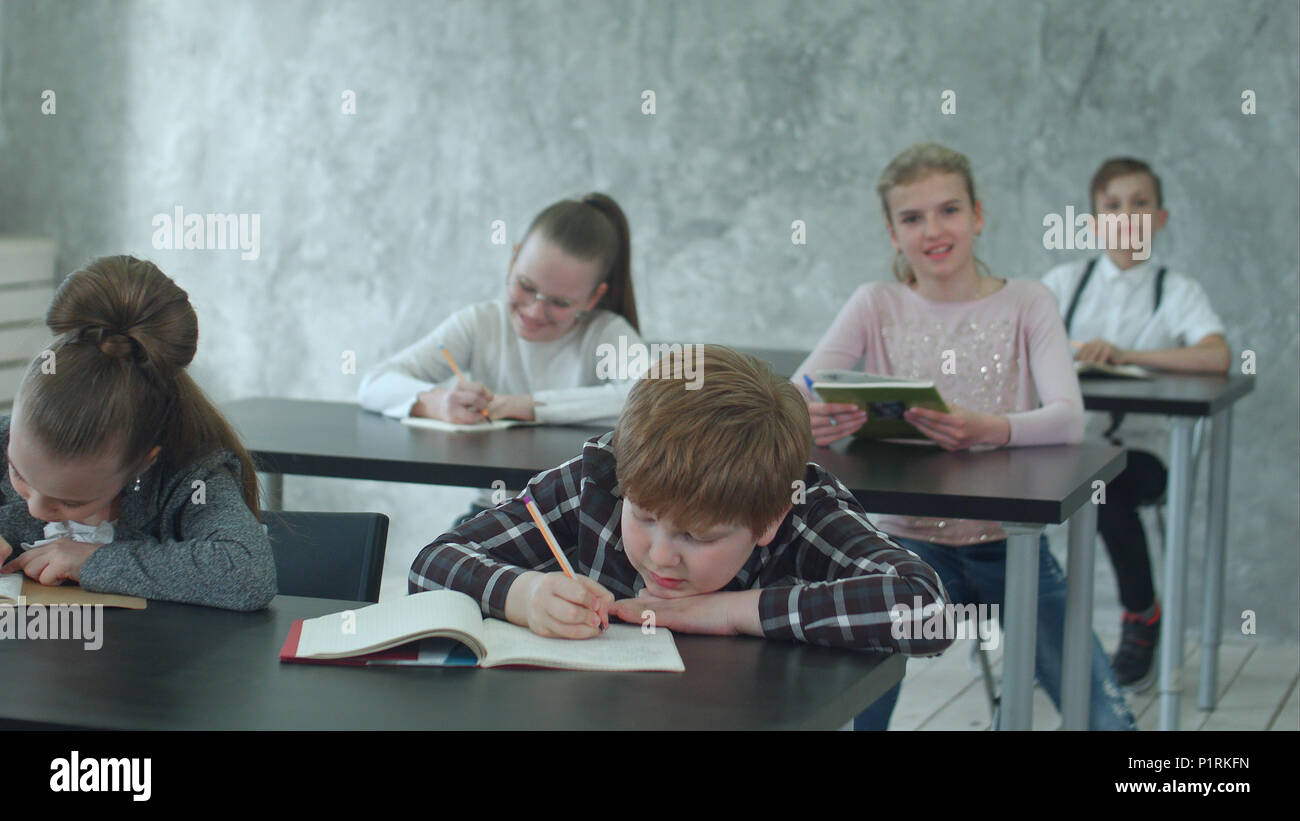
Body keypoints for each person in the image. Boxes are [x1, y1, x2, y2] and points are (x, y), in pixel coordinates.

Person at [794, 142, 1136, 729]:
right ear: (892, 231)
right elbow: (794, 393)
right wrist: (812, 418)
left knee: (1106, 718)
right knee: (855, 712)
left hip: (1011, 544)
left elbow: (1066, 416)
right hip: (906, 550)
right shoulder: (876, 304)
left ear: (978, 215)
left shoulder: (1028, 300)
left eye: (949, 210)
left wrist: (990, 429)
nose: (933, 229)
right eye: (912, 217)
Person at [410, 345, 952, 660]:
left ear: (768, 521)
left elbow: (926, 611)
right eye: (644, 517)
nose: (662, 555)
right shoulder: (601, 477)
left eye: (698, 536)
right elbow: (430, 565)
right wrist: (525, 595)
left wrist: (729, 613)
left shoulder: (797, 503)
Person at [1041, 157, 1229, 689]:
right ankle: (1036, 638)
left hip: (1142, 454)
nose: (1127, 216)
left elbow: (1216, 356)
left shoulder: (1178, 290)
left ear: (1162, 218)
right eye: (1113, 205)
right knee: (1009, 481)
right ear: (1095, 220)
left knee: (1104, 484)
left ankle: (1140, 612)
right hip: (1062, 443)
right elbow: (1018, 342)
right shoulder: (1063, 282)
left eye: (1140, 204)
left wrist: (1128, 356)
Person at [0, 255, 276, 611]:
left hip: (150, 661)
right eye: (18, 473)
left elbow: (247, 575)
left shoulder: (189, 479)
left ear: (142, 464)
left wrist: (93, 561)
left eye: (71, 501)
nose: (36, 509)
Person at [359, 193, 645, 524]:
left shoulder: (605, 334)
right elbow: (374, 383)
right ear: (512, 261)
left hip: (578, 519)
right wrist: (434, 402)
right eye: (526, 286)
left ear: (593, 298)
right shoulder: (480, 323)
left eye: (560, 302)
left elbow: (647, 396)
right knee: (436, 567)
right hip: (497, 509)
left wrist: (525, 406)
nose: (535, 311)